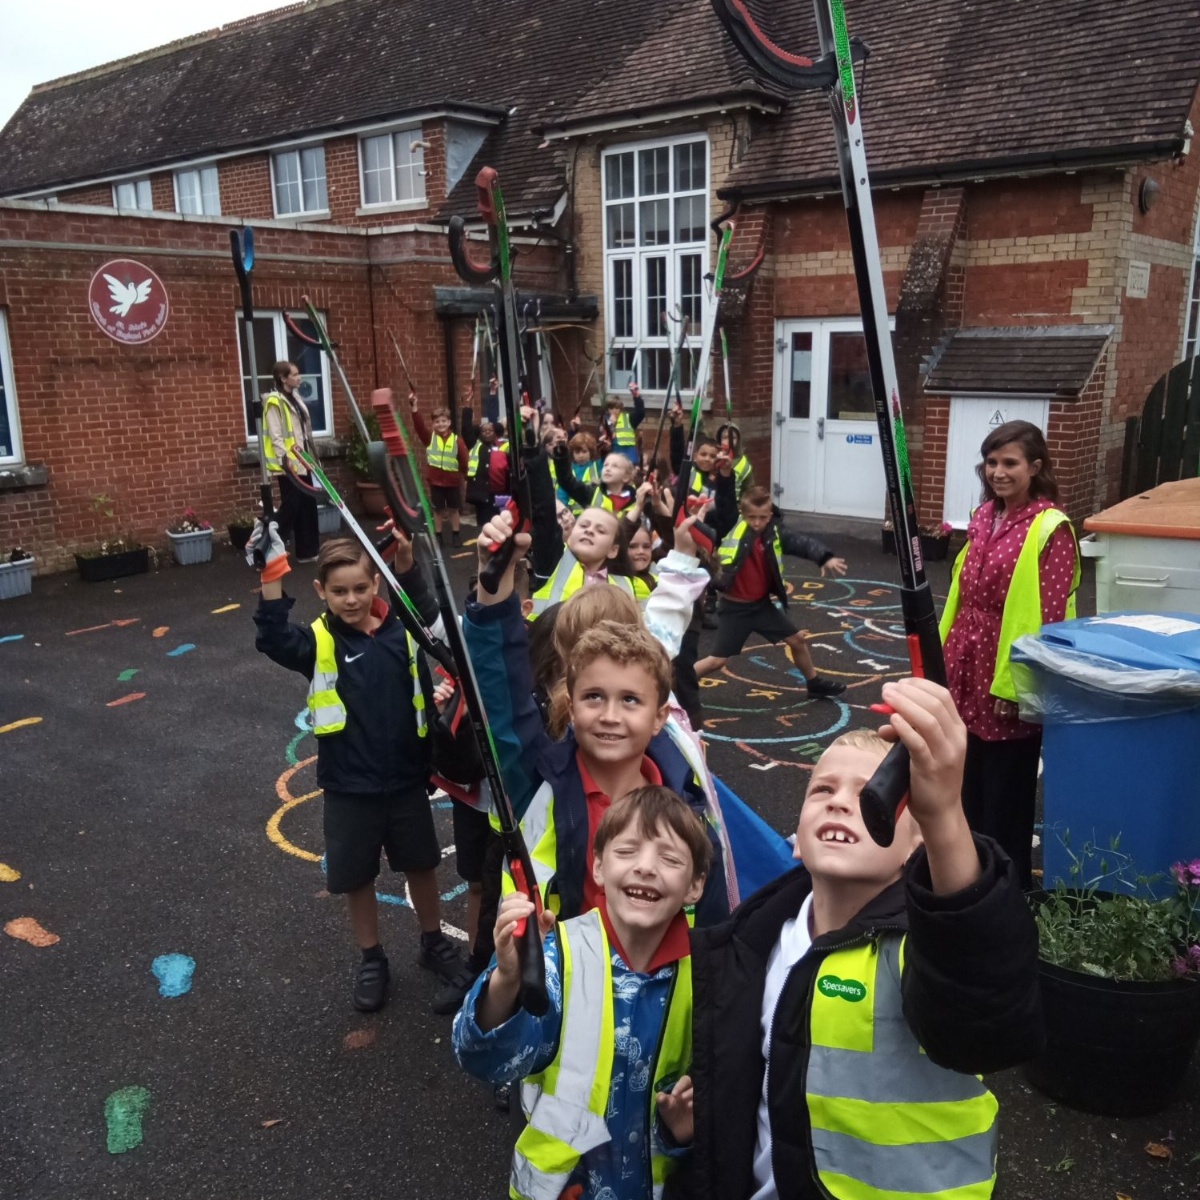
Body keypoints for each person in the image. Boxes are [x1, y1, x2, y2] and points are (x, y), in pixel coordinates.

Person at [686, 677, 1044, 1200]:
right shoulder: (751, 942)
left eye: (871, 795)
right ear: (795, 843)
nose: (839, 804)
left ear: (917, 845)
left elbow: (986, 1015)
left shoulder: (924, 947)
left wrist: (944, 814)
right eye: (822, 790)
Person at [464, 511, 731, 926]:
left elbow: (713, 934)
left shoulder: (685, 802)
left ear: (660, 716)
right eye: (592, 696)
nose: (610, 716)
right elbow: (502, 697)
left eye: (629, 700)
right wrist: (493, 586)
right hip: (566, 984)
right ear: (569, 703)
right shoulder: (539, 782)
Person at [453, 786, 709, 1200]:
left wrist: (684, 1132)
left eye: (669, 858)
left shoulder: (708, 976)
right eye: (627, 852)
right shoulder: (559, 959)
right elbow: (484, 1061)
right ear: (598, 867)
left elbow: (718, 1100)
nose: (646, 868)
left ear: (696, 885)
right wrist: (506, 981)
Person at [251, 531, 463, 1011]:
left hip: (408, 778)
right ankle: (372, 958)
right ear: (322, 591)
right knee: (356, 876)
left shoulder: (403, 628)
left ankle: (433, 942)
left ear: (376, 586)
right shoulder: (319, 641)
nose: (352, 599)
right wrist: (270, 575)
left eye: (361, 588)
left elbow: (434, 621)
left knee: (421, 864)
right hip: (349, 785)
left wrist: (407, 563)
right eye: (340, 591)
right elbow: (274, 639)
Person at [940, 419, 1080, 890]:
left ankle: (1008, 894)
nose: (998, 472)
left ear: (1035, 467)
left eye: (1010, 463)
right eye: (991, 462)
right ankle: (967, 883)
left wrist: (1018, 685)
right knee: (965, 786)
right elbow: (962, 595)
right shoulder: (983, 517)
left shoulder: (1049, 528)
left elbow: (1046, 617)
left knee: (1005, 798)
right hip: (965, 663)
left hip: (1006, 672)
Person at [695, 485, 849, 698]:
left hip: (760, 606)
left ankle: (813, 683)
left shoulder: (774, 534)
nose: (757, 523)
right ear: (742, 514)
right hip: (735, 609)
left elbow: (801, 543)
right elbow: (725, 502)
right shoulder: (733, 527)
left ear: (770, 515)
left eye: (762, 517)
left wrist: (824, 557)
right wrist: (725, 478)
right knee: (717, 661)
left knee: (797, 640)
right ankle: (675, 683)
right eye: (751, 517)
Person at [527, 504, 651, 619]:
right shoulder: (553, 561)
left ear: (613, 550)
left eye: (601, 531)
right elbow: (542, 509)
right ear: (570, 536)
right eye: (583, 525)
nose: (589, 530)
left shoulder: (625, 585)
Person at [262, 360, 320, 562]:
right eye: (294, 374)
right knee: (292, 506)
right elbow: (276, 436)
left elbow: (303, 433)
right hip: (290, 465)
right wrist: (286, 462)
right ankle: (265, 545)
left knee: (308, 504)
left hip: (304, 461)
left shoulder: (295, 398)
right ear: (283, 378)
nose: (299, 377)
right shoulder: (274, 402)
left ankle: (308, 552)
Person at [411, 396, 468, 547]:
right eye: (437, 422)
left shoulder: (457, 441)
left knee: (454, 510)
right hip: (436, 482)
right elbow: (419, 427)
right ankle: (438, 536)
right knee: (438, 511)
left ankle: (456, 534)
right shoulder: (430, 438)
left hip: (453, 482)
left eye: (443, 421)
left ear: (449, 422)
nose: (440, 424)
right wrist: (414, 408)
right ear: (433, 424)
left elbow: (464, 460)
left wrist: (467, 477)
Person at [461, 409, 509, 530]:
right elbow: (466, 429)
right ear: (480, 433)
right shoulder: (475, 444)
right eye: (484, 430)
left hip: (501, 494)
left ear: (495, 432)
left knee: (501, 525)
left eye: (490, 430)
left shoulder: (503, 445)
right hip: (483, 495)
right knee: (484, 526)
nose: (487, 432)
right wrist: (468, 408)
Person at [598, 383, 646, 464]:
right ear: (607, 409)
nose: (614, 410)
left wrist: (637, 397)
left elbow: (640, 413)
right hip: (614, 457)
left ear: (620, 409)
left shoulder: (628, 418)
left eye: (617, 408)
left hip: (629, 457)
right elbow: (603, 438)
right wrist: (611, 424)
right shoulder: (604, 421)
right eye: (611, 408)